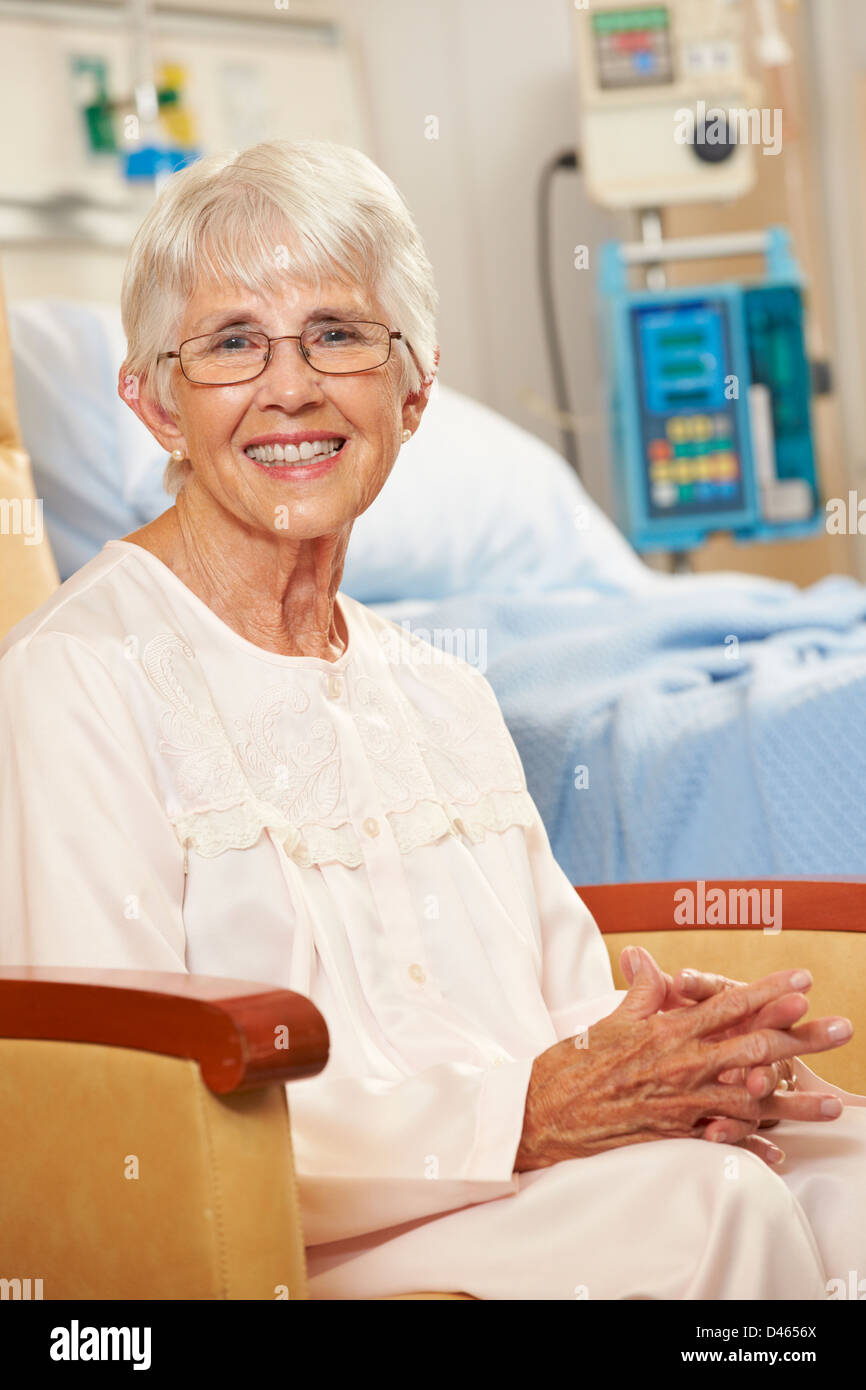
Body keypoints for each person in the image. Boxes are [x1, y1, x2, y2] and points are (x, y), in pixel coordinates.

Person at [1, 139, 864, 1301]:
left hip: (520, 1177)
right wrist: (519, 1116)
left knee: (845, 1163)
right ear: (152, 400)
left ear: (413, 392)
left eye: (339, 334)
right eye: (231, 343)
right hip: (307, 1234)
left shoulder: (440, 687)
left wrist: (682, 1056)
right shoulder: (76, 681)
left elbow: (563, 1002)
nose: (291, 385)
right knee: (706, 1206)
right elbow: (120, 1105)